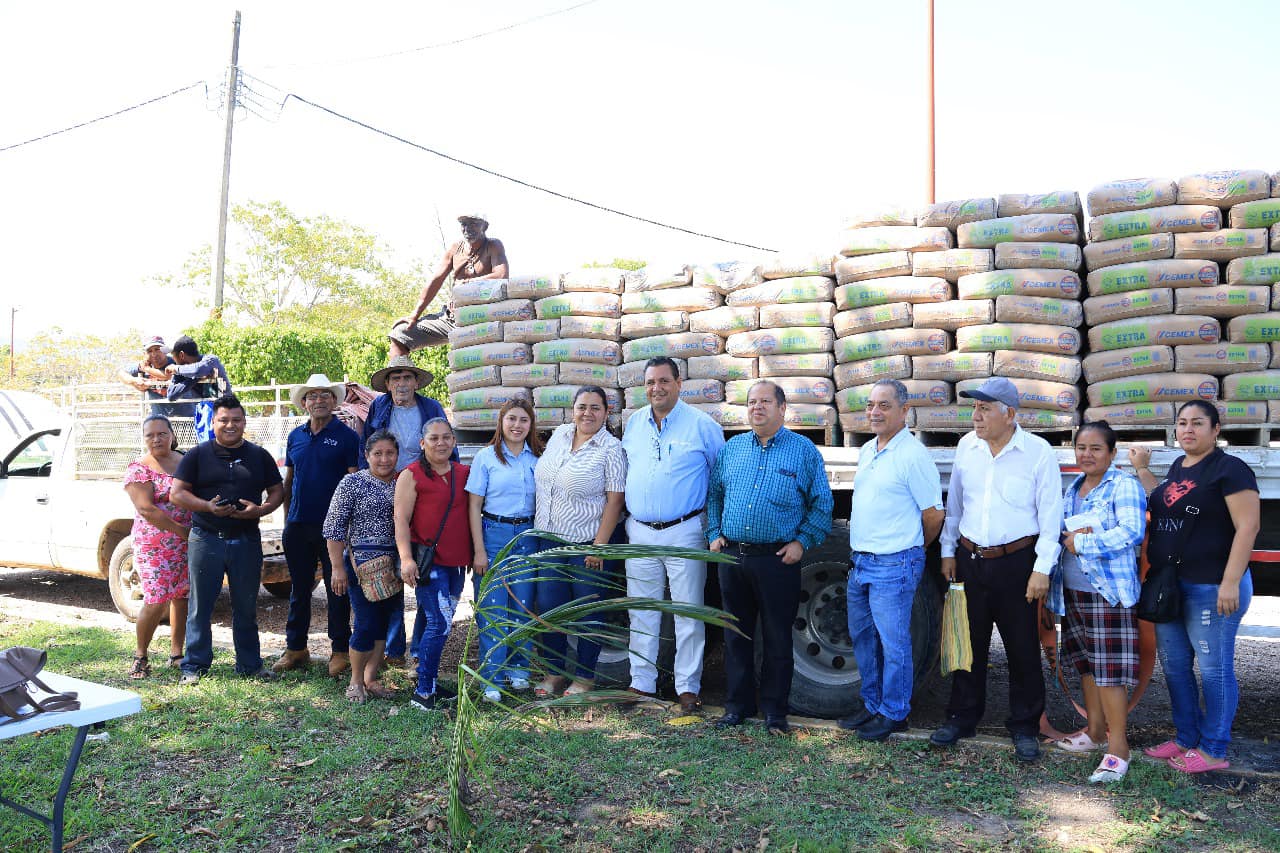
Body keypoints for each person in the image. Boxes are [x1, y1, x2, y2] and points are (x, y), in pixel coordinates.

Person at [932, 377, 1063, 761]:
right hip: (971, 560)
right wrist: (947, 551)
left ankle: (1024, 727)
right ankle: (961, 718)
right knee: (967, 645)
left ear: (1010, 415)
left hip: (1018, 564)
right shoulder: (966, 448)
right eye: (975, 409)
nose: (976, 416)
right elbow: (954, 504)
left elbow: (1051, 517)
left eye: (985, 409)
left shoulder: (1037, 452)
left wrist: (1041, 568)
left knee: (1022, 649)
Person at [1129, 401, 1259, 774]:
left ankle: (1214, 749)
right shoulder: (1179, 467)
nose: (1188, 430)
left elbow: (1247, 527)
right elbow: (1164, 500)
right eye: (1182, 423)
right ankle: (1186, 738)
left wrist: (1230, 582)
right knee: (1175, 667)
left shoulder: (1230, 470)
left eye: (1197, 423)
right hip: (1173, 586)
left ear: (1216, 429)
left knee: (1214, 669)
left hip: (1212, 587)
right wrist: (1141, 469)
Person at [707, 380, 833, 735]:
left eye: (765, 402)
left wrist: (802, 542)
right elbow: (714, 494)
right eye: (751, 402)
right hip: (732, 558)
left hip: (777, 561)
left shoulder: (803, 451)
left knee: (777, 639)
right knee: (736, 636)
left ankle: (775, 712)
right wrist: (713, 534)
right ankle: (738, 707)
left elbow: (822, 504)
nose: (757, 408)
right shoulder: (732, 450)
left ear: (782, 409)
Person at [840, 379, 943, 740]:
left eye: (884, 405)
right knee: (863, 639)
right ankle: (871, 705)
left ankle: (895, 712)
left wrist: (914, 549)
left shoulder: (913, 455)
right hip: (862, 562)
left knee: (894, 643)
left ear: (904, 411)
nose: (874, 412)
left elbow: (934, 515)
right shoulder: (869, 449)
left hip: (894, 563)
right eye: (870, 405)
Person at [621, 357, 724, 713]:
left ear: (679, 383)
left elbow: (718, 479)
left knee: (687, 612)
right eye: (650, 382)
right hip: (641, 532)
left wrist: (713, 528)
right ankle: (642, 684)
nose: (656, 388)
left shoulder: (701, 426)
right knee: (642, 611)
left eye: (664, 381)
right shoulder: (633, 424)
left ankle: (687, 688)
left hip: (685, 531)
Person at [1048, 421, 1147, 783]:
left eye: (1095, 449)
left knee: (1109, 672)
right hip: (1074, 592)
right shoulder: (1074, 487)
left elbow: (1132, 531)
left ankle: (1118, 748)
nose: (1086, 455)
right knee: (1086, 666)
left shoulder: (1123, 485)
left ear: (1111, 452)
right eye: (1081, 448)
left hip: (1107, 593)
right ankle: (1094, 732)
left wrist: (1084, 543)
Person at [170, 395, 285, 684]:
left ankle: (249, 665)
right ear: (213, 422)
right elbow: (177, 493)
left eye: (236, 420)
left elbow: (277, 491)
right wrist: (207, 506)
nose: (230, 425)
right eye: (223, 419)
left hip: (246, 540)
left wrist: (260, 510)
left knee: (246, 606)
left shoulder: (259, 456)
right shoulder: (197, 455)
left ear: (244, 423)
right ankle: (194, 666)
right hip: (206, 538)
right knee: (200, 606)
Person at [531, 386, 627, 698]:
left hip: (586, 545)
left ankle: (585, 677)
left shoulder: (611, 449)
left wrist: (599, 545)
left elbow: (615, 501)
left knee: (587, 612)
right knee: (549, 609)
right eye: (582, 406)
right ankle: (555, 673)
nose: (587, 413)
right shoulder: (559, 434)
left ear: (606, 413)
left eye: (595, 408)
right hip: (548, 541)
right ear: (573, 409)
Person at [361, 355, 454, 665]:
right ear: (388, 384)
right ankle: (394, 648)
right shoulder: (379, 407)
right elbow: (369, 445)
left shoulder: (430, 409)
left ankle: (419, 649)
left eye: (406, 377)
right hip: (388, 487)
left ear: (416, 382)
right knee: (391, 566)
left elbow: (444, 448)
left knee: (425, 566)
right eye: (395, 378)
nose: (401, 383)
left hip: (422, 488)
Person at [273, 374, 361, 676]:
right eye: (312, 396)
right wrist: (286, 520)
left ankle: (339, 650)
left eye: (325, 395)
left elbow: (354, 482)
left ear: (334, 401)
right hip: (298, 526)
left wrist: (350, 527)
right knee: (299, 589)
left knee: (338, 589)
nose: (319, 400)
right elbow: (290, 481)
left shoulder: (348, 437)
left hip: (334, 530)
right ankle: (296, 648)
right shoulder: (295, 436)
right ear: (304, 403)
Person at [466, 398, 543, 702]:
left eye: (523, 420)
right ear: (501, 422)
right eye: (511, 419)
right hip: (494, 532)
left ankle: (519, 671)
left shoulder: (537, 459)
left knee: (522, 606)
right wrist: (479, 550)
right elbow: (473, 506)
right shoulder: (486, 458)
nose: (517, 425)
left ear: (530, 425)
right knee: (493, 608)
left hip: (528, 532)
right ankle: (492, 678)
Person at [395, 418, 473, 711]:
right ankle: (423, 692)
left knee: (440, 623)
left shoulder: (464, 473)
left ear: (454, 441)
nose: (441, 443)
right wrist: (405, 559)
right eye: (434, 438)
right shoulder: (411, 474)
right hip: (430, 564)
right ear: (422, 443)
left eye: (446, 438)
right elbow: (400, 519)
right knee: (439, 623)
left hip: (456, 563)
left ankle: (429, 682)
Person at [323, 430, 404, 703]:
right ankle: (355, 681)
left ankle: (370, 678)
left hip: (394, 565)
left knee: (386, 623)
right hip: (361, 565)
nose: (384, 459)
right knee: (366, 623)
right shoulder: (352, 483)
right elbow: (334, 528)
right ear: (367, 456)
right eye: (377, 453)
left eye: (390, 453)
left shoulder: (403, 481)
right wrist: (337, 568)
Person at [122, 414, 192, 679]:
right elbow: (146, 509)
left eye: (161, 433)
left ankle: (177, 654)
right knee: (155, 600)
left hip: (186, 542)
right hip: (155, 545)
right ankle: (141, 656)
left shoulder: (186, 462)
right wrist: (181, 531)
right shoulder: (139, 469)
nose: (156, 439)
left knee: (182, 597)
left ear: (173, 435)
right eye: (150, 435)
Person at [389, 213, 509, 356]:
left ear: (485, 227)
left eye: (474, 224)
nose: (468, 228)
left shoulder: (493, 246)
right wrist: (414, 315)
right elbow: (436, 280)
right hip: (452, 319)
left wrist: (469, 283)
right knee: (401, 333)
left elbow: (501, 275)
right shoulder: (455, 249)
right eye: (464, 224)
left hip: (482, 320)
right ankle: (403, 376)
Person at [165, 334, 232, 406]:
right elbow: (171, 395)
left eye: (173, 355)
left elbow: (198, 370)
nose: (173, 359)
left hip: (227, 409)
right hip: (205, 413)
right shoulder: (181, 370)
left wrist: (175, 368)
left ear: (181, 355)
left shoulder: (211, 360)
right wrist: (195, 379)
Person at [118, 335, 176, 414]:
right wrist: (134, 381)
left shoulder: (175, 362)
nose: (154, 354)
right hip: (159, 419)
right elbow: (122, 373)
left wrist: (147, 369)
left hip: (186, 416)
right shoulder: (143, 364)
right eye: (149, 351)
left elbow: (167, 375)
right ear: (145, 354)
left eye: (157, 349)